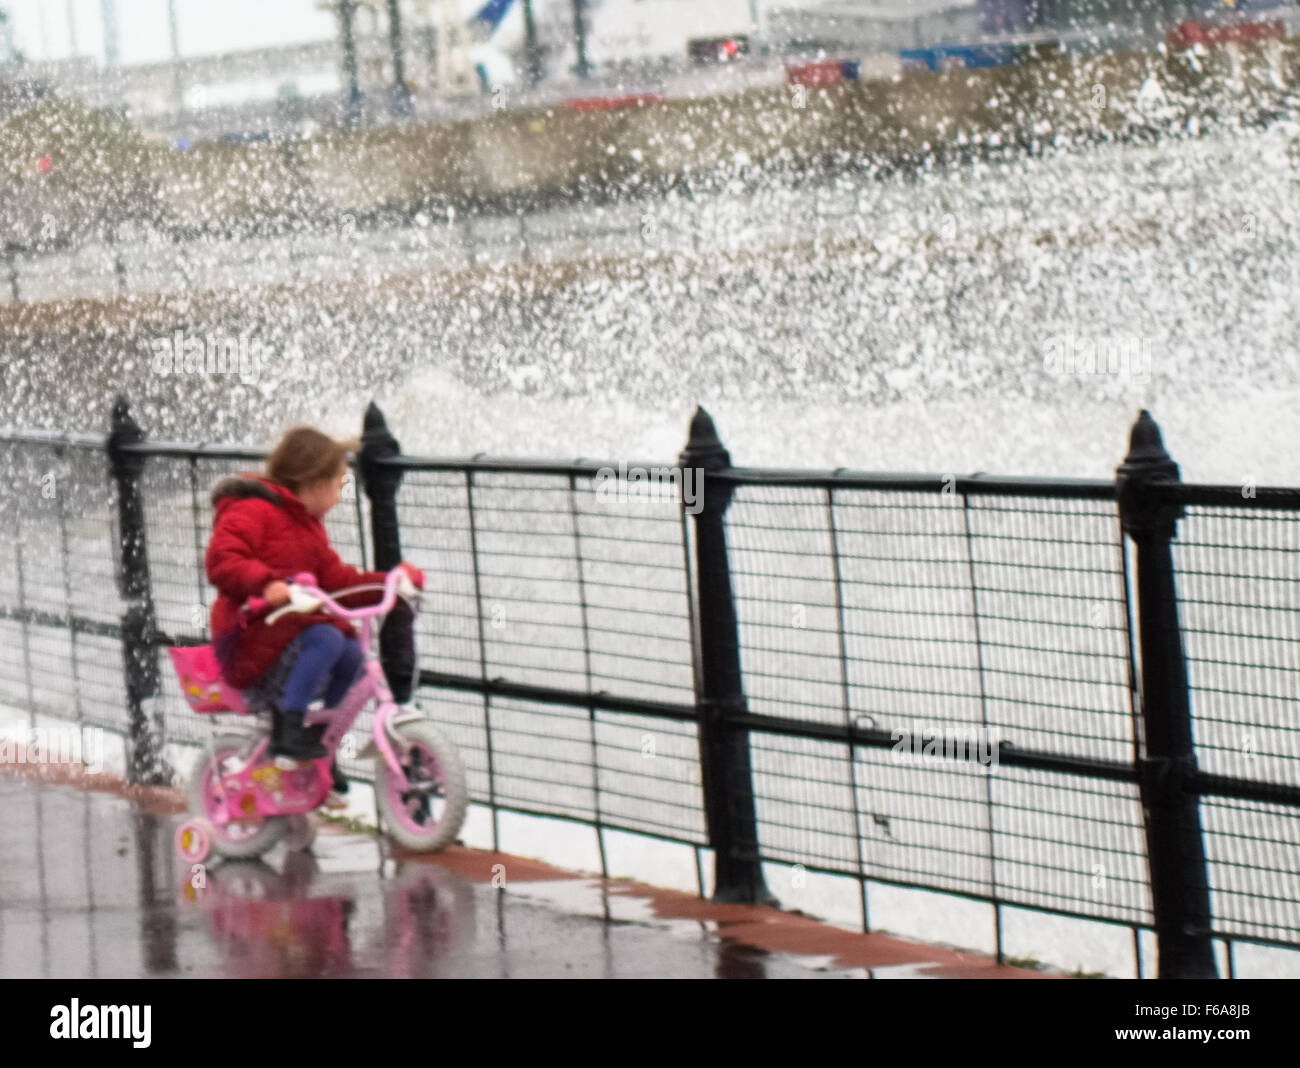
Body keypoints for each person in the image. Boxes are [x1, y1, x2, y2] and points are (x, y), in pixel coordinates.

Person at [205, 425, 421, 807]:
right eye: (339, 484)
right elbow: (222, 561)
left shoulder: (307, 525)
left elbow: (336, 581)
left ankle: (321, 744)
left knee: (353, 654)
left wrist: (392, 583)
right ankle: (289, 735)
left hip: (286, 636)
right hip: (249, 639)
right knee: (328, 638)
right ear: (313, 481)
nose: (340, 495)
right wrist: (266, 584)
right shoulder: (250, 510)